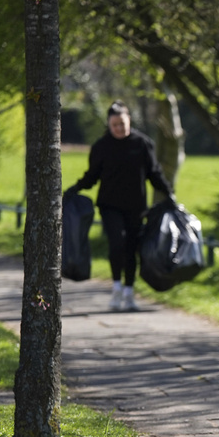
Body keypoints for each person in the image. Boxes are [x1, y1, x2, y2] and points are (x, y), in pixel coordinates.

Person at [65, 100, 175, 312]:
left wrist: (168, 193)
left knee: (132, 248)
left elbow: (154, 173)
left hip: (136, 206)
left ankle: (128, 292)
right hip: (109, 205)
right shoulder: (101, 147)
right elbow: (92, 176)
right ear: (109, 124)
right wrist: (75, 189)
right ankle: (116, 286)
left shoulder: (142, 144)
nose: (119, 128)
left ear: (129, 121)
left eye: (122, 124)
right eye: (115, 125)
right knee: (117, 244)